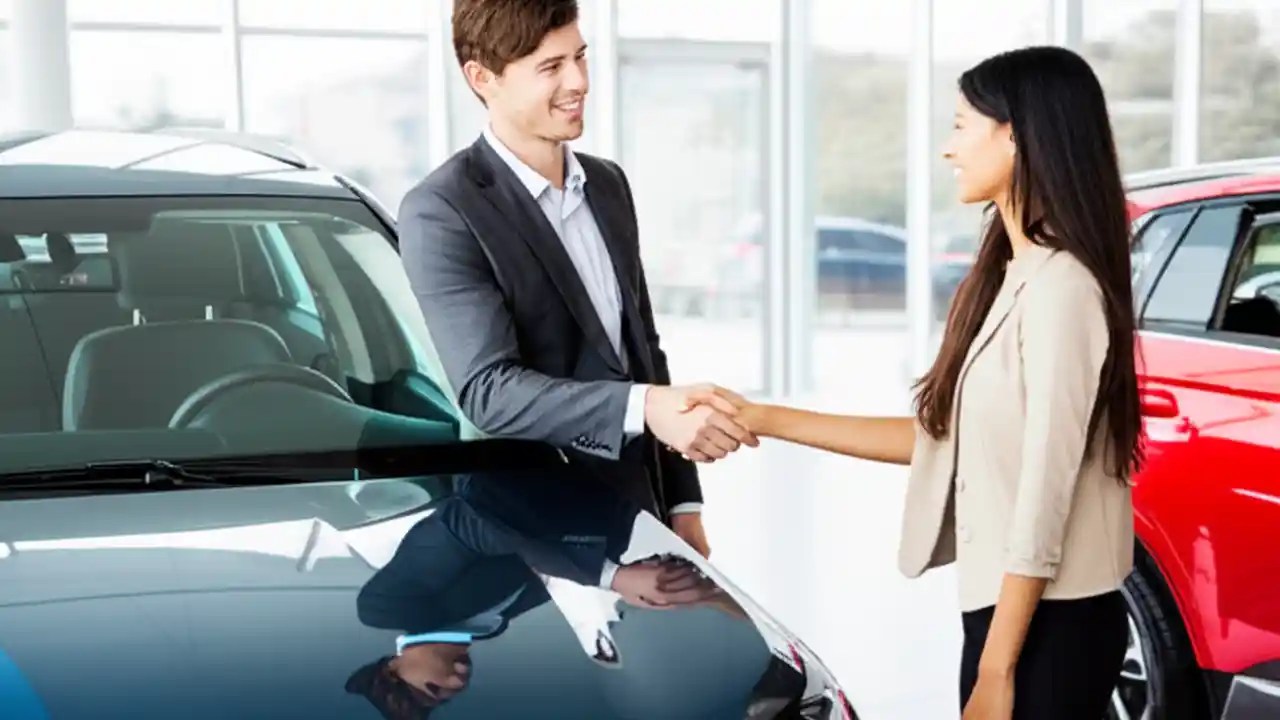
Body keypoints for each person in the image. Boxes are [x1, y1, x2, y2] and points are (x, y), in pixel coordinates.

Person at [689, 46, 1142, 719]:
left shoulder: (1061, 289)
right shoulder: (1014, 275)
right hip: (1011, 614)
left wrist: (996, 668)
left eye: (961, 126)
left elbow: (1045, 491)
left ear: (1015, 137)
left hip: (1050, 626)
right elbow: (943, 441)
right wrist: (762, 418)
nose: (948, 148)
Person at [397, 0, 755, 558]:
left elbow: (643, 352)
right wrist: (645, 407)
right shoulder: (443, 209)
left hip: (643, 513)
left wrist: (683, 501)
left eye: (580, 57)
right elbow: (488, 391)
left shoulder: (608, 185)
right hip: (538, 537)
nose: (579, 82)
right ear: (483, 78)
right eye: (551, 67)